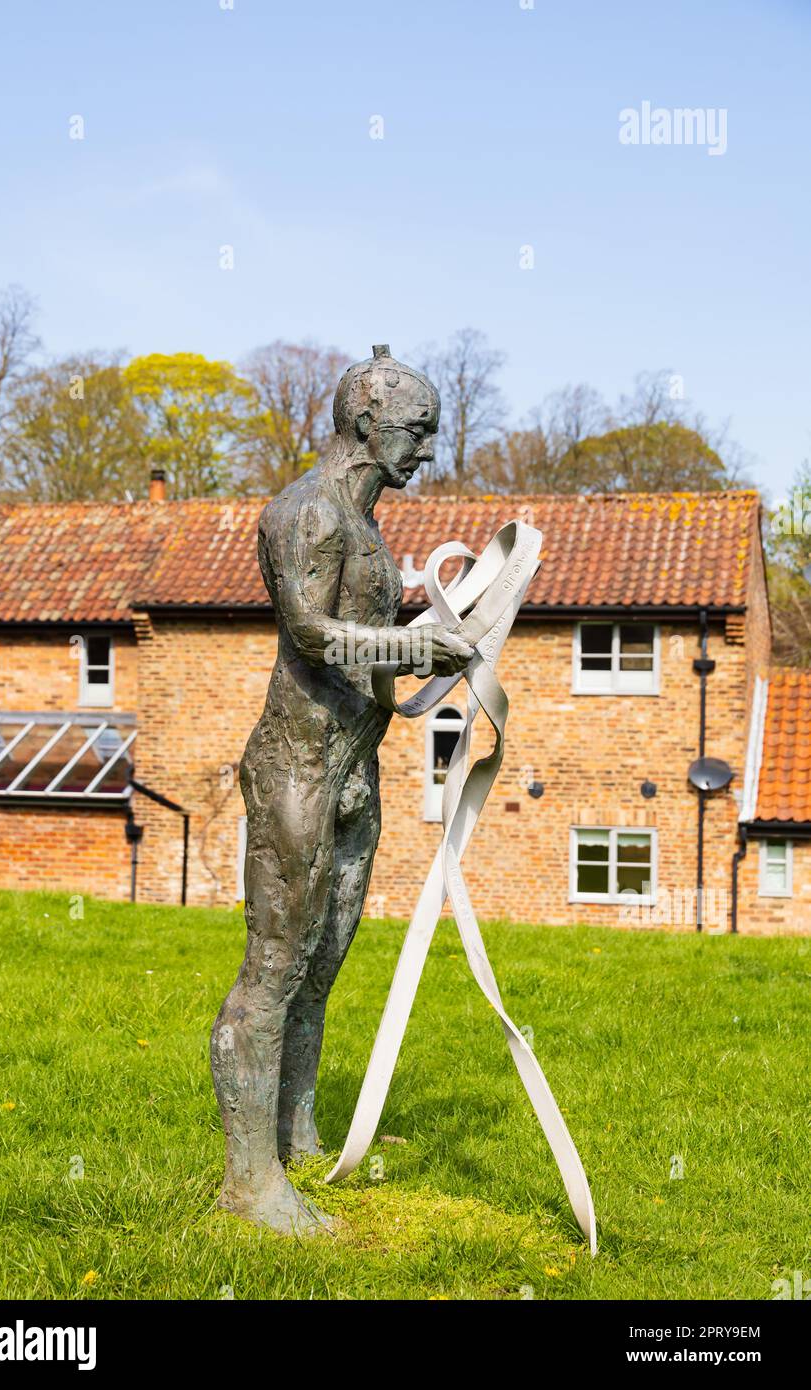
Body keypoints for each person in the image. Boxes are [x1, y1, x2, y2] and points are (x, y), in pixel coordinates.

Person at [210, 345, 473, 1232]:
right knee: (275, 967)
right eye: (418, 432)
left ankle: (301, 1138)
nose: (428, 452)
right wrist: (412, 646)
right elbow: (313, 638)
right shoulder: (308, 514)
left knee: (322, 970)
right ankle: (249, 1185)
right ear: (367, 421)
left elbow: (373, 659)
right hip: (296, 769)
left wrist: (440, 639)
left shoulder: (370, 530)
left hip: (354, 768)